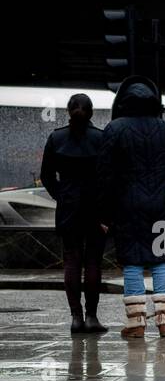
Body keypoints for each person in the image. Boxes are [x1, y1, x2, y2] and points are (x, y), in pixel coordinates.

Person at [96, 75, 165, 339]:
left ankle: (136, 325)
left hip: (127, 206)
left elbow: (104, 175)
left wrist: (105, 213)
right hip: (160, 205)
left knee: (132, 262)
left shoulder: (115, 128)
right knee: (161, 260)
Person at [40, 93, 106, 334]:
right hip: (95, 208)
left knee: (72, 260)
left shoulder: (56, 138)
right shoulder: (100, 138)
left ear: (68, 111)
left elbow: (47, 176)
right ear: (91, 112)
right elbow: (108, 176)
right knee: (92, 262)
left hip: (68, 208)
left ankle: (76, 317)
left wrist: (62, 196)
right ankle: (91, 317)